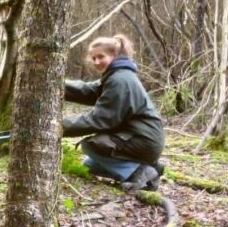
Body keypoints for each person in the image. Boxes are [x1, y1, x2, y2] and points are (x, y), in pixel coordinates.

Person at [62, 34, 165, 191]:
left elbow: (101, 119)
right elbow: (89, 91)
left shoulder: (120, 80)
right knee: (89, 166)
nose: (96, 62)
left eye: (101, 57)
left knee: (91, 146)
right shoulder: (116, 75)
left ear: (114, 55)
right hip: (143, 141)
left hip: (143, 141)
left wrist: (61, 126)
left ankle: (141, 172)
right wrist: (58, 85)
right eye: (93, 58)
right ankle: (149, 168)